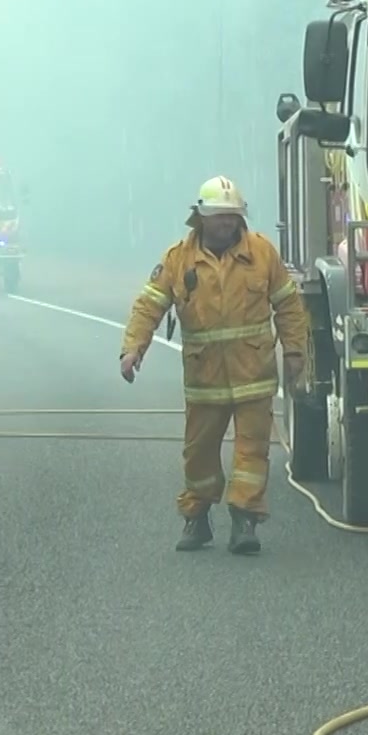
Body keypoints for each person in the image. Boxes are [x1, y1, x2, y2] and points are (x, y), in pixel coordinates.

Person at [119, 176, 310, 554]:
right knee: (199, 452)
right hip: (204, 377)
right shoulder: (178, 259)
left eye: (233, 216)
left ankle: (245, 520)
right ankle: (197, 517)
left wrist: (294, 352)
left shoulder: (262, 254)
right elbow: (149, 306)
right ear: (200, 217)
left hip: (253, 375)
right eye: (219, 216)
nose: (227, 223)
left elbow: (288, 305)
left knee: (252, 451)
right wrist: (132, 349)